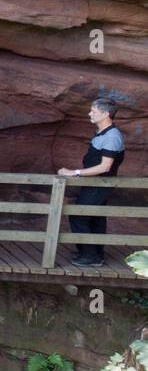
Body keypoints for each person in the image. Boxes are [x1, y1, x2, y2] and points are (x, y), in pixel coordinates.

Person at [57, 97, 126, 268]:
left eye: (93, 111)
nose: (89, 113)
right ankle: (94, 254)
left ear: (105, 114)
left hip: (100, 185)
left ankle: (90, 256)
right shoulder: (103, 133)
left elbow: (105, 166)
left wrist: (75, 173)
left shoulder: (111, 136)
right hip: (94, 185)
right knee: (95, 218)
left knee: (78, 215)